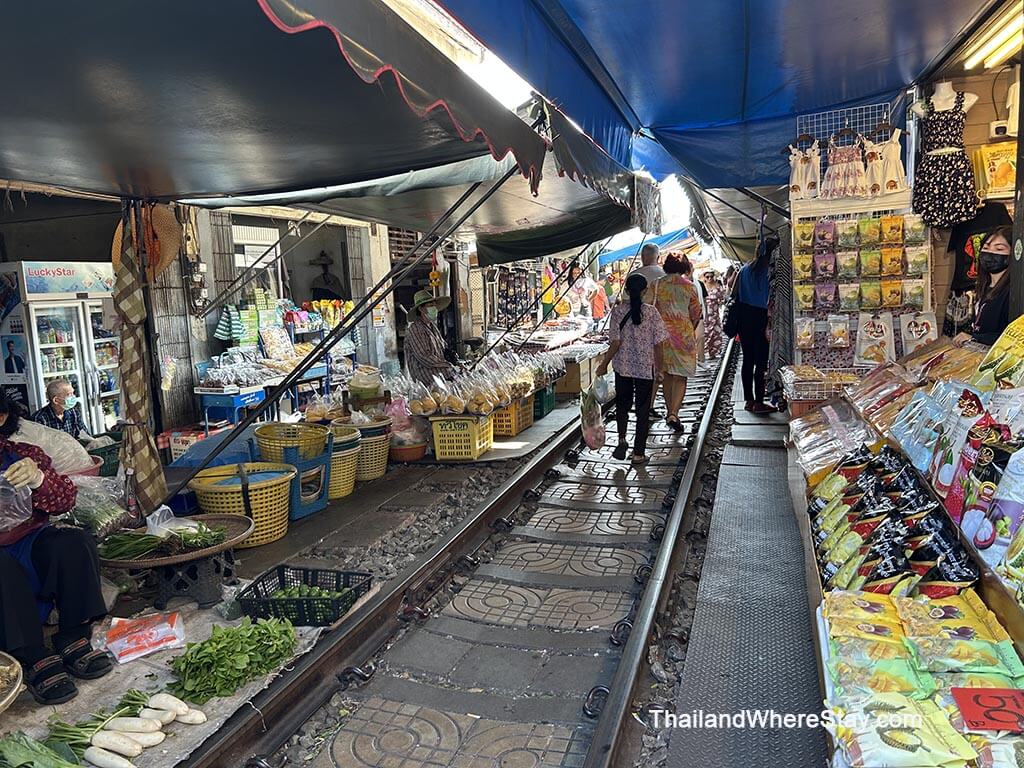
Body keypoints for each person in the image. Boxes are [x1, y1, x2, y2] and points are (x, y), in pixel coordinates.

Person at [0, 389, 109, 705]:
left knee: (74, 543)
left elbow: (65, 499)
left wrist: (37, 480)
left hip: (27, 543)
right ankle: (30, 655)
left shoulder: (24, 455)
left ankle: (73, 634)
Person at [595, 274, 668, 464]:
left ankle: (621, 439)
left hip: (623, 368)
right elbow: (659, 344)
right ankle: (638, 453)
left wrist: (604, 364)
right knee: (643, 409)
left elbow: (615, 343)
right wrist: (660, 369)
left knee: (622, 404)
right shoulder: (652, 313)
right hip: (645, 369)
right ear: (645, 291)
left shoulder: (618, 312)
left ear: (626, 290)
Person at [653, 255, 702, 431]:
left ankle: (669, 412)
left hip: (661, 336)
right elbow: (696, 313)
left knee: (665, 374)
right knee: (680, 377)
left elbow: (650, 309)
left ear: (665, 267)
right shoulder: (690, 287)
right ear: (683, 268)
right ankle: (674, 413)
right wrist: (688, 326)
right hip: (683, 336)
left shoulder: (657, 285)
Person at [954, 226, 1013, 346]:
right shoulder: (985, 287)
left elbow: (1014, 337)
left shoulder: (1013, 292)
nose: (990, 253)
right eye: (986, 248)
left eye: (999, 249)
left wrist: (976, 338)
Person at [736, 240, 774, 414]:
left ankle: (749, 400)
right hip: (761, 318)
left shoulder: (744, 269)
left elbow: (734, 292)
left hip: (744, 317)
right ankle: (759, 401)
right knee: (761, 362)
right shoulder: (769, 271)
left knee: (748, 360)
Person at [405, 289, 454, 385]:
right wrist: (448, 365)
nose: (434, 308)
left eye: (434, 305)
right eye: (430, 305)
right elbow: (425, 357)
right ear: (421, 309)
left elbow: (443, 349)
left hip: (442, 377)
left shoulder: (432, 326)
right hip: (428, 381)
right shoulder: (416, 329)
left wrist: (454, 361)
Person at [702, 271, 727, 359]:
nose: (709, 278)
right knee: (706, 333)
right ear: (704, 277)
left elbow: (723, 298)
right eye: (707, 277)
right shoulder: (702, 287)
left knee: (715, 334)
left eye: (711, 276)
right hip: (705, 314)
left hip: (715, 314)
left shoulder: (718, 286)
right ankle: (707, 351)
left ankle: (713, 352)